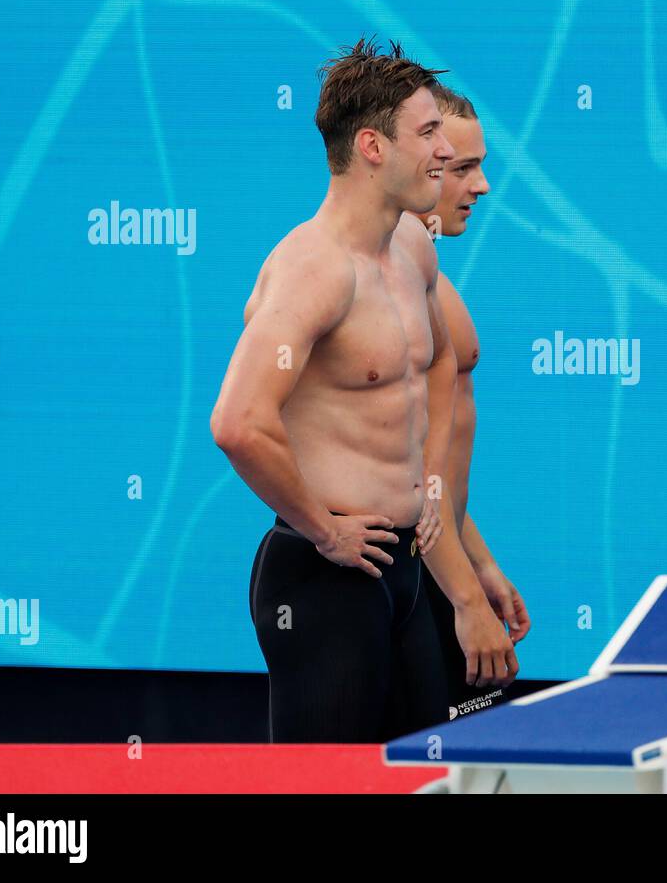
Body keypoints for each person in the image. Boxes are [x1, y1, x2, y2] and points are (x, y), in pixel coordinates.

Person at [210, 38, 516, 742]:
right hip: (328, 579)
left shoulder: (411, 250)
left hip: (409, 564)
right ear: (374, 147)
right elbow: (237, 421)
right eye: (429, 133)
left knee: (431, 776)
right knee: (326, 792)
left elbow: (437, 381)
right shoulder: (313, 269)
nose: (445, 153)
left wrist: (448, 521)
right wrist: (324, 529)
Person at [409, 82, 530, 720]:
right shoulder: (385, 287)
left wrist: (476, 560)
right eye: (463, 168)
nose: (481, 186)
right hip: (415, 571)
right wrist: (465, 601)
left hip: (438, 560)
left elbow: (431, 471)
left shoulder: (425, 276)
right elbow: (402, 474)